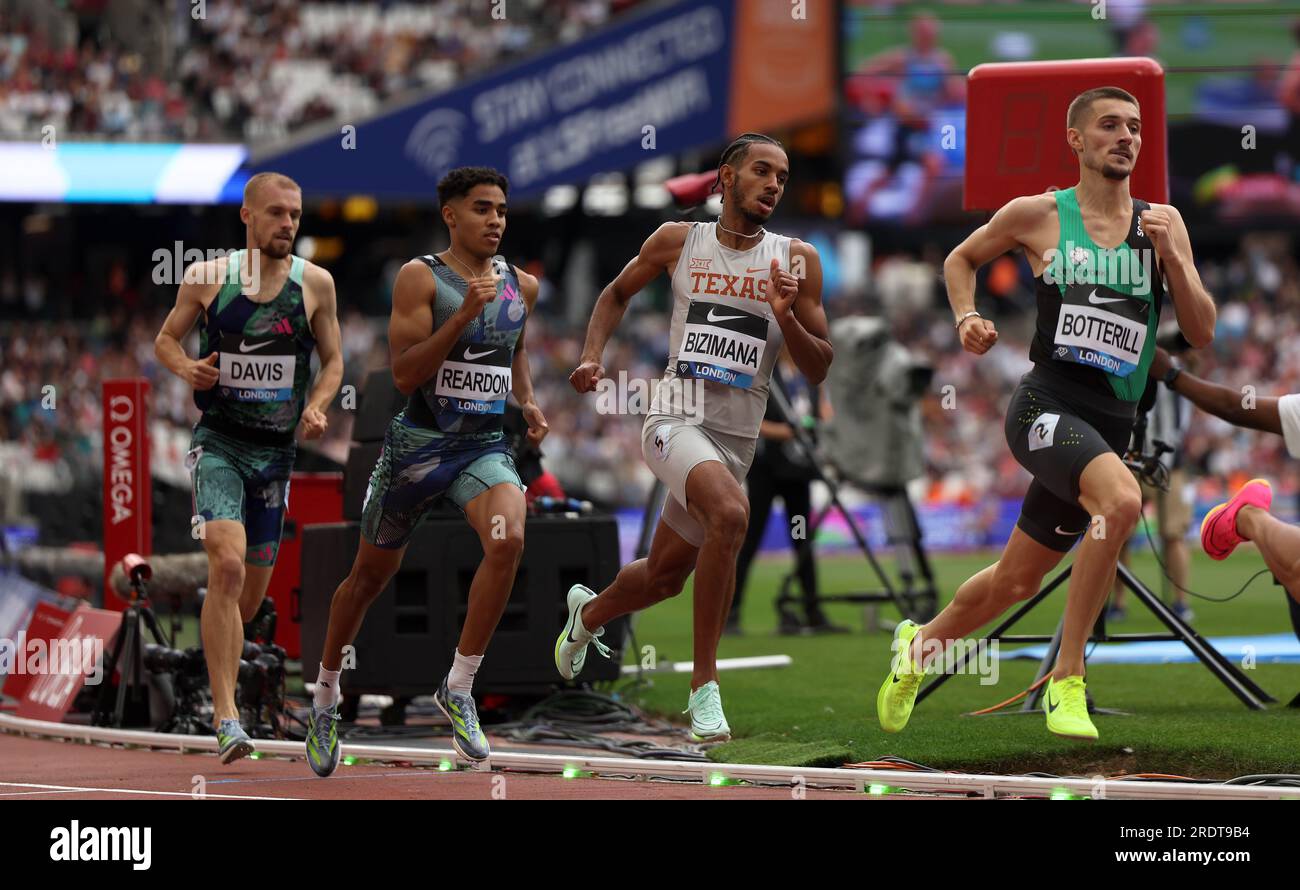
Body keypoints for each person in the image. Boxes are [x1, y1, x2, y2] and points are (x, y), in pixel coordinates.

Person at [876, 87, 1217, 741]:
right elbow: (960, 259)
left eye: (1135, 128)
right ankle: (1067, 678)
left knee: (1015, 580)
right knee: (1119, 503)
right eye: (1110, 125)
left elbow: (1198, 333)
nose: (1126, 137)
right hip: (1045, 405)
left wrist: (1175, 258)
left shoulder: (1162, 224)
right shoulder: (1037, 214)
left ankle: (917, 649)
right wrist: (967, 316)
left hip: (1110, 423)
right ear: (1077, 139)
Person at [559, 134, 833, 741]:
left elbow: (819, 366)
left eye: (782, 176)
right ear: (727, 177)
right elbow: (615, 293)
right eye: (761, 171)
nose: (773, 184)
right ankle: (704, 688)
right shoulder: (679, 241)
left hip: (735, 439)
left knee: (663, 577)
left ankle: (589, 614)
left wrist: (785, 317)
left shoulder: (797, 260)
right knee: (732, 515)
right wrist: (592, 356)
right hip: (674, 416)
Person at [305, 167, 547, 774]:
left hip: (483, 448)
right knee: (365, 580)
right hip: (416, 449)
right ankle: (326, 695)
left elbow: (514, 350)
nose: (495, 220)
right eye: (482, 209)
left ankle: (459, 686)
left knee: (509, 538)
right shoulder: (421, 278)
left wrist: (530, 401)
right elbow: (406, 373)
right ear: (451, 215)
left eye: (502, 211)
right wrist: (462, 315)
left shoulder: (523, 286)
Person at [154, 172, 343, 763]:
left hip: (276, 457)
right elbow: (165, 339)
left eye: (296, 214)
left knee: (246, 597)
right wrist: (187, 369)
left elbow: (334, 361)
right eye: (277, 213)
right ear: (247, 216)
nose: (289, 224)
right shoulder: (209, 278)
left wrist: (316, 404)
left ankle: (211, 669)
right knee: (227, 566)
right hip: (221, 446)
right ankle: (226, 717)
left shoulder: (316, 284)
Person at [1150, 347, 1300, 602]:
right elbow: (1235, 406)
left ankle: (1180, 602)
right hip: (1149, 459)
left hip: (1171, 466)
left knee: (1172, 534)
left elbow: (1234, 406)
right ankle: (1249, 518)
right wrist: (1173, 374)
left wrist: (1174, 375)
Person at [727, 348, 842, 635]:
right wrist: (788, 432)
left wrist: (824, 427)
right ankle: (731, 613)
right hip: (766, 468)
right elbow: (751, 420)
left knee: (802, 538)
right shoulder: (765, 373)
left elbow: (824, 411)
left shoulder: (809, 374)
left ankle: (813, 609)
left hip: (798, 470)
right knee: (750, 539)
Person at [1108, 350, 1196, 622]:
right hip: (1131, 458)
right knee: (1120, 534)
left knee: (1173, 533)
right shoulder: (1123, 358)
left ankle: (1180, 601)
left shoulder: (1172, 363)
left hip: (1167, 460)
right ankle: (1119, 603)